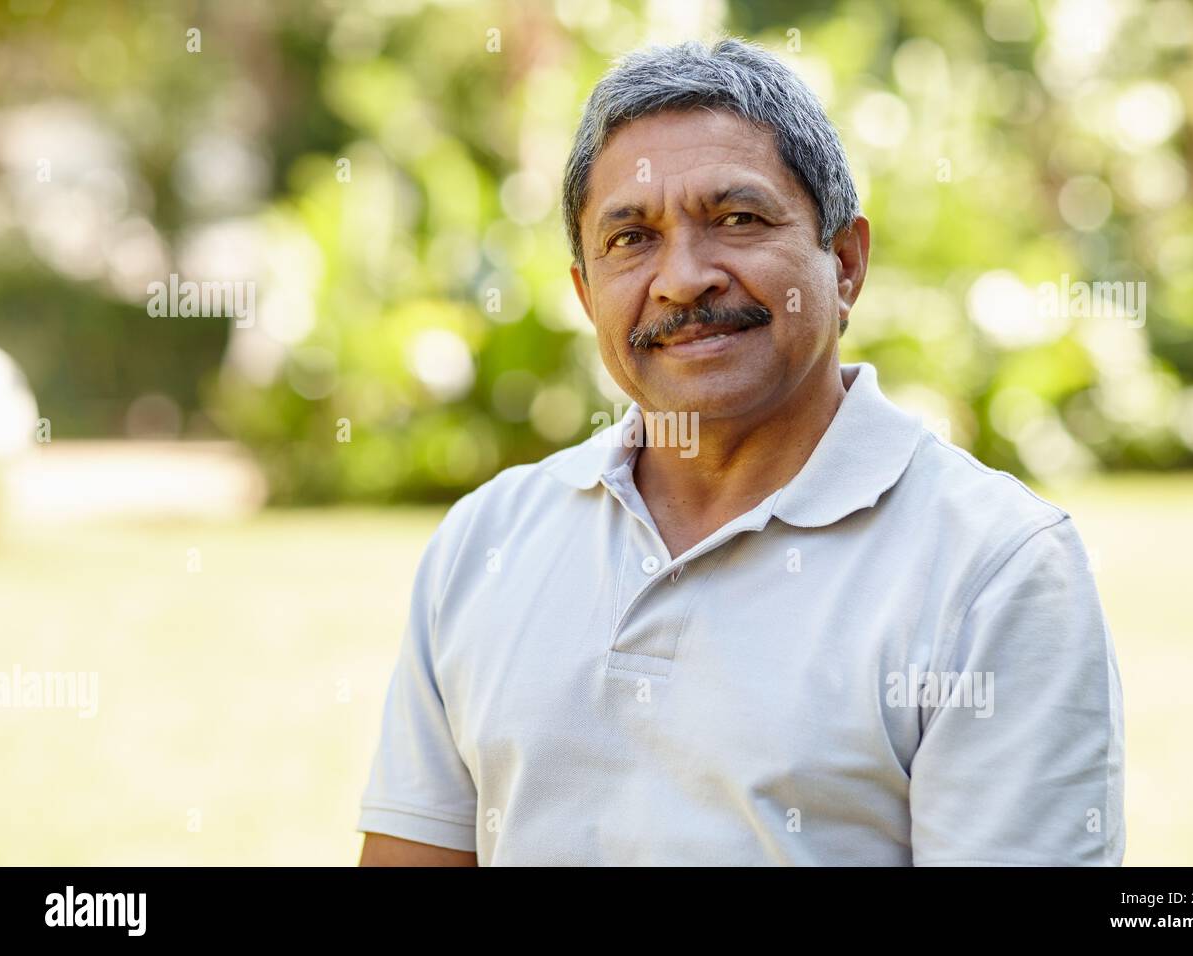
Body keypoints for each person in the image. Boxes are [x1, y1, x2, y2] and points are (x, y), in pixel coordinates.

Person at [356, 37, 1125, 866]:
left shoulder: (995, 570)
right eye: (630, 239)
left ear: (846, 264)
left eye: (737, 220)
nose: (684, 278)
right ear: (585, 295)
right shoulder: (487, 541)